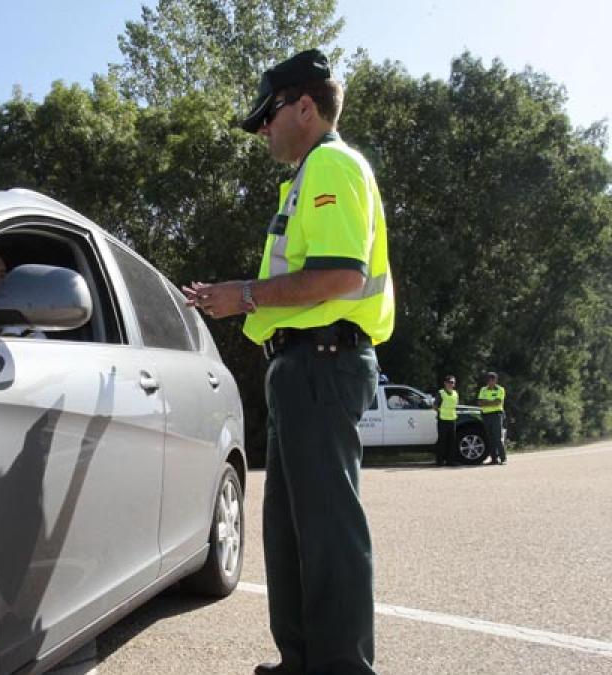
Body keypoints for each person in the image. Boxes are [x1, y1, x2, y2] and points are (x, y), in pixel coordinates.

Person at [183, 48, 393, 675]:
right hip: (302, 367)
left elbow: (338, 275)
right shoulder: (308, 176)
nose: (263, 129)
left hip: (321, 364)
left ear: (306, 106)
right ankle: (303, 660)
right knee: (292, 533)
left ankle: (340, 669)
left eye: (268, 115)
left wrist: (241, 296)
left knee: (326, 534)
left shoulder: (330, 164)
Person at [477, 372, 507, 464]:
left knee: (497, 437)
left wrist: (486, 402)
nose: (491, 381)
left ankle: (503, 458)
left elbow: (498, 402)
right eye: (489, 380)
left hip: (496, 415)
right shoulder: (483, 389)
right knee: (490, 438)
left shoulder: (500, 389)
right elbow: (480, 402)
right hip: (486, 415)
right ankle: (494, 459)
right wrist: (491, 402)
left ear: (496, 380)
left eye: (493, 379)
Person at [434, 375, 459, 465]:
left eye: (453, 382)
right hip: (443, 419)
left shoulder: (456, 393)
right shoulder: (441, 393)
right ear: (445, 383)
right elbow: (435, 406)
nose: (451, 384)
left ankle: (450, 461)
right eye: (449, 382)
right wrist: (441, 411)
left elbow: (455, 405)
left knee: (452, 441)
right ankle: (439, 461)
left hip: (452, 419)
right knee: (442, 441)